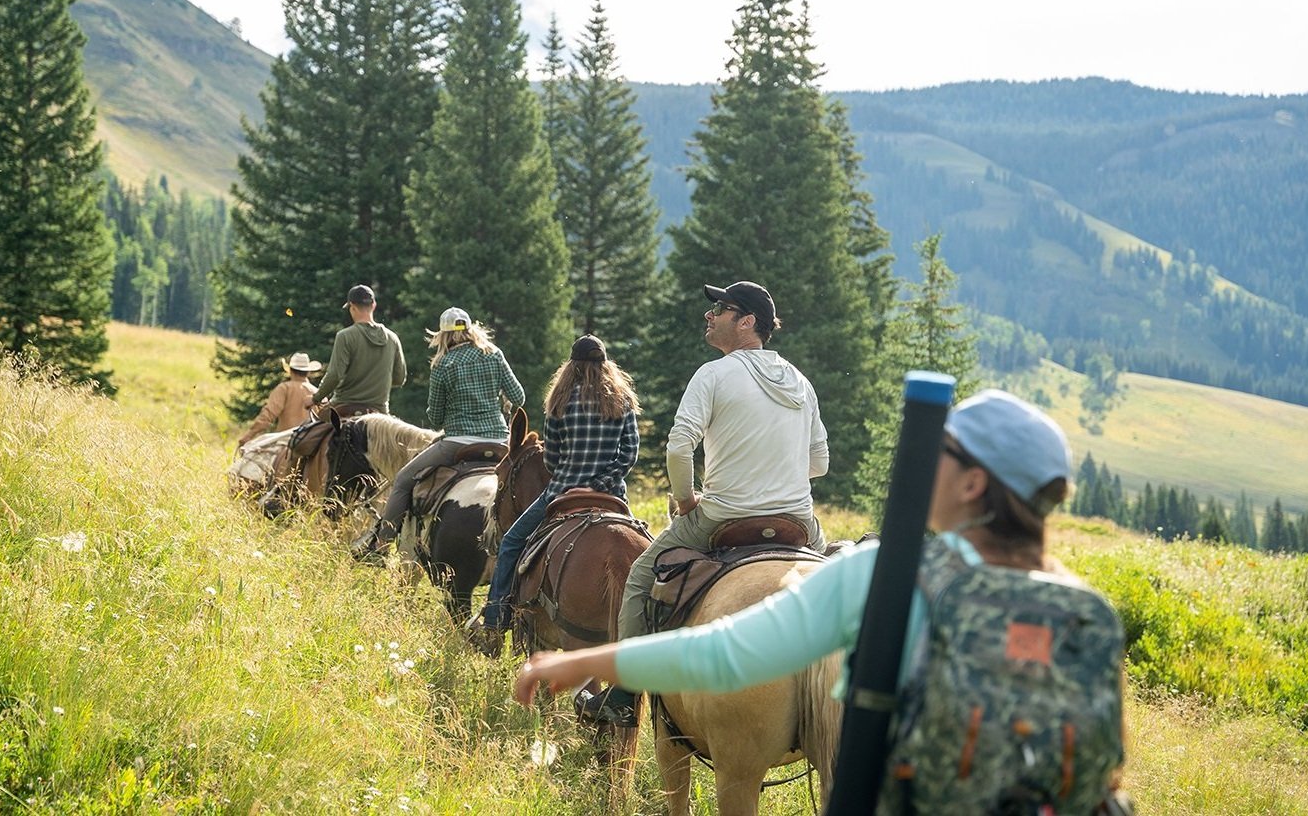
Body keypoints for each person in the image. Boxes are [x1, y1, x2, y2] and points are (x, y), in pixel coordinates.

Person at [513, 390, 1129, 813]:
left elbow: (727, 654)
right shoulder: (1087, 609)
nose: (923, 465)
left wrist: (586, 661)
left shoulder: (887, 577)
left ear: (972, 484)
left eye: (939, 452)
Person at [579, 280, 828, 723]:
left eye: (721, 309)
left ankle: (624, 695)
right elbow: (820, 463)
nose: (709, 315)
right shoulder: (800, 381)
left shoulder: (713, 374)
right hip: (797, 519)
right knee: (834, 574)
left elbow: (679, 449)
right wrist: (775, 475)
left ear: (746, 322)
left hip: (722, 515)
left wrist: (685, 500)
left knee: (639, 579)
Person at [465, 334, 640, 654]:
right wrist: (601, 483)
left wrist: (574, 477)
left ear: (572, 366)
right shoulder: (623, 400)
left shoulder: (561, 400)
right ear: (606, 365)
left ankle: (494, 623)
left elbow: (552, 458)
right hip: (612, 495)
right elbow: (629, 453)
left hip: (563, 490)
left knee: (511, 543)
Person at [353, 306, 525, 562]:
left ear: (442, 335)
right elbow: (519, 397)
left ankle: (380, 546)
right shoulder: (494, 354)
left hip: (458, 443)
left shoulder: (443, 364)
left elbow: (435, 417)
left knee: (402, 481)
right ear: (471, 329)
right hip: (500, 441)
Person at [310, 284, 407, 417]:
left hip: (343, 406)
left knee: (310, 427)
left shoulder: (345, 336)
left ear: (352, 306)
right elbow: (399, 379)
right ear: (373, 305)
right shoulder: (392, 338)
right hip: (380, 411)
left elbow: (335, 375)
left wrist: (316, 398)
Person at [236, 352, 322, 447]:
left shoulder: (284, 388)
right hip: (312, 446)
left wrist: (248, 436)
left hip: (285, 443)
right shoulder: (317, 393)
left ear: (290, 370)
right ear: (308, 372)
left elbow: (268, 414)